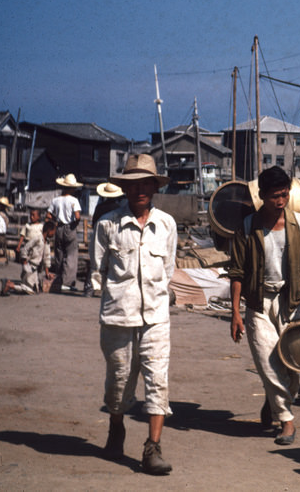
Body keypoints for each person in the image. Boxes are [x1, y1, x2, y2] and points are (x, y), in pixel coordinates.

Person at [90, 154, 177, 475]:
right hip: (118, 318)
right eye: (134, 184)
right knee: (119, 382)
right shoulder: (107, 225)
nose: (140, 189)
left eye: (146, 183)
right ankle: (116, 426)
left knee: (158, 381)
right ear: (124, 188)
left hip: (156, 318)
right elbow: (99, 272)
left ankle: (152, 448)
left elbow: (167, 270)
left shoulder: (167, 225)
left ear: (154, 187)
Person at [227, 166, 300, 447]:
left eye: (284, 195)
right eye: (273, 196)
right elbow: (236, 273)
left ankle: (274, 403)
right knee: (267, 362)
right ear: (262, 196)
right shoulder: (247, 227)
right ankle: (287, 419)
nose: (280, 201)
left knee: (292, 364)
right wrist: (235, 312)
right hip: (258, 304)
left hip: (291, 301)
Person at [0, 220, 56, 295]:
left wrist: (47, 273)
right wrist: (25, 262)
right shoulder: (37, 238)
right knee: (30, 291)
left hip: (35, 270)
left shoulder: (47, 243)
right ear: (49, 230)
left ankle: (10, 284)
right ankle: (10, 286)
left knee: (36, 290)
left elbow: (46, 258)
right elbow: (25, 248)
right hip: (29, 266)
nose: (54, 234)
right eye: (53, 232)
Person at [48, 174, 83, 293]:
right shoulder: (74, 200)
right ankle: (68, 282)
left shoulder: (55, 200)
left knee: (59, 254)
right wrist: (74, 224)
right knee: (71, 255)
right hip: (70, 227)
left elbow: (49, 215)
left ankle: (59, 279)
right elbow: (77, 217)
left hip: (59, 227)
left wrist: (56, 221)